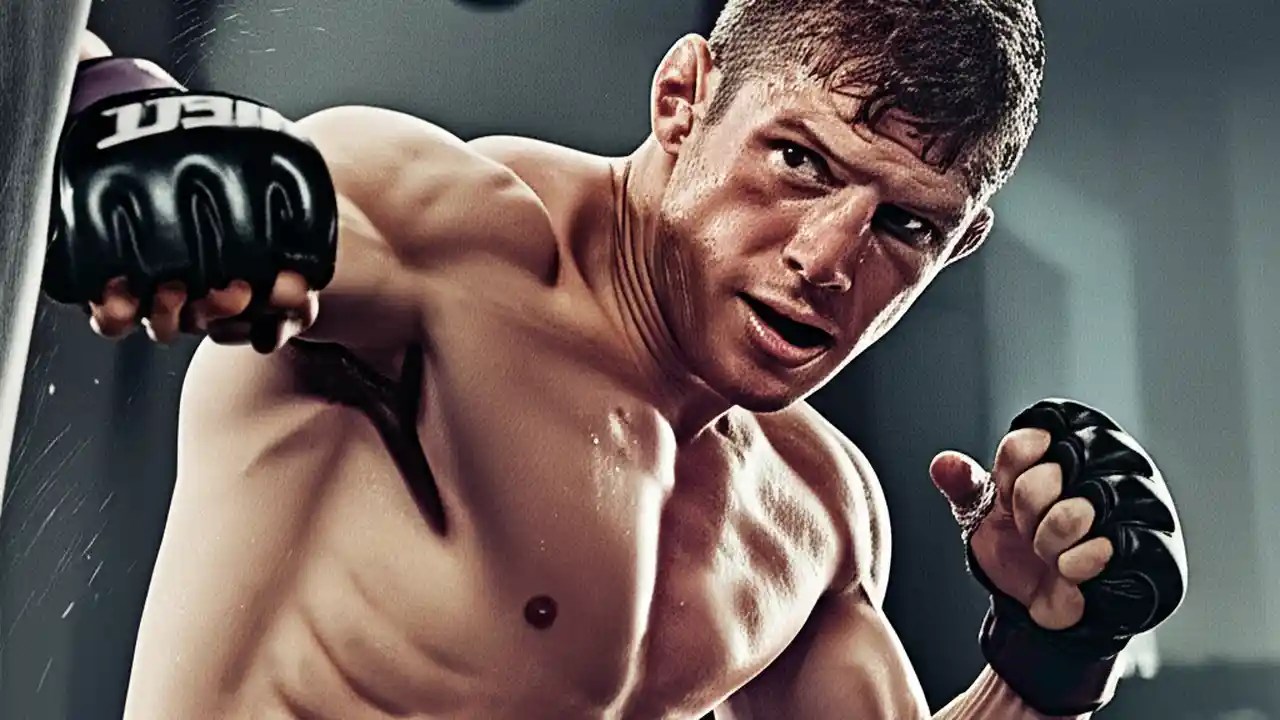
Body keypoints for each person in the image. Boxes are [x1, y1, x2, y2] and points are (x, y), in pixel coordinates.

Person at [47, 2, 1187, 718]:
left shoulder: (812, 508)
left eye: (906, 225)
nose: (826, 259)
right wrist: (121, 119)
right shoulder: (456, 245)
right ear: (683, 100)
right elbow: (292, 200)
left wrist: (1049, 660)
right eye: (795, 160)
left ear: (960, 243)